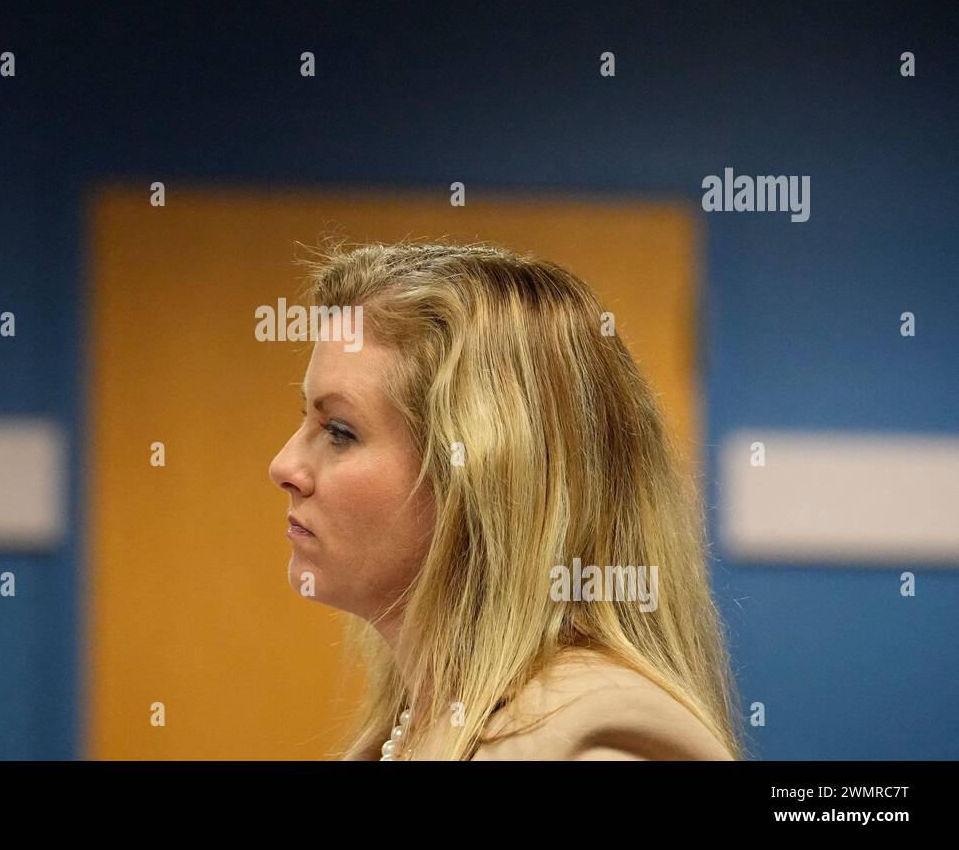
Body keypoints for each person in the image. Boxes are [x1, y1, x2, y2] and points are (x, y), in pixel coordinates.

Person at [268, 241, 743, 760]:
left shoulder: (592, 745)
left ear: (482, 480)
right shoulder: (421, 722)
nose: (285, 467)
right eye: (306, 420)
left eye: (339, 430)